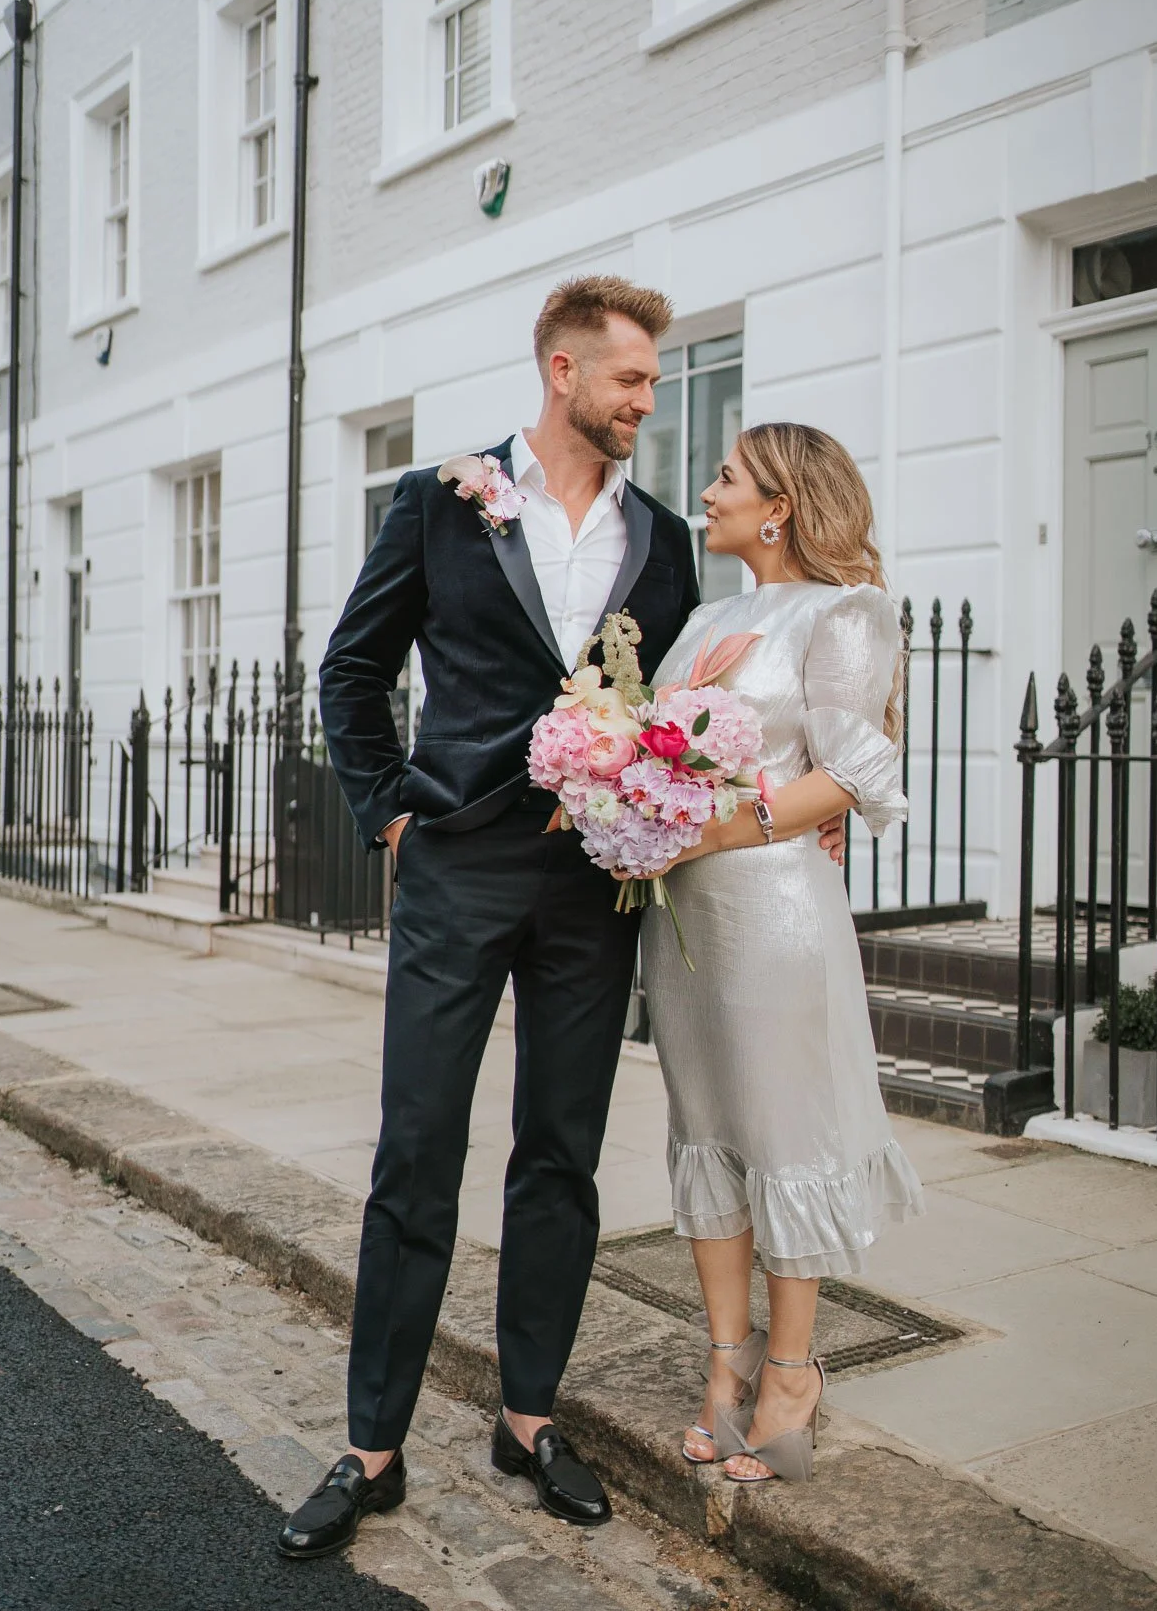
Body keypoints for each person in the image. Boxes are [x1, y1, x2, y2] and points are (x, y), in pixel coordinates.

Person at [276, 274, 852, 1558]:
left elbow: (695, 704)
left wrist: (792, 794)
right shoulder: (442, 498)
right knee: (417, 1147)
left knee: (561, 1155)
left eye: (652, 381)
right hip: (458, 867)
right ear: (563, 373)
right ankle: (373, 1447)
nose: (650, 400)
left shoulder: (660, 532)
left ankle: (529, 1417)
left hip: (599, 885)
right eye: (633, 380)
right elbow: (354, 668)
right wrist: (388, 812)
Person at [638, 422, 925, 1485]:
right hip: (688, 924)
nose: (705, 493)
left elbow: (849, 775)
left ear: (782, 506)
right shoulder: (708, 617)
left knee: (783, 1132)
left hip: (775, 915)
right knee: (706, 1130)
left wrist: (707, 828)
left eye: (725, 477)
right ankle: (727, 1362)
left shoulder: (841, 612)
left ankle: (794, 1370)